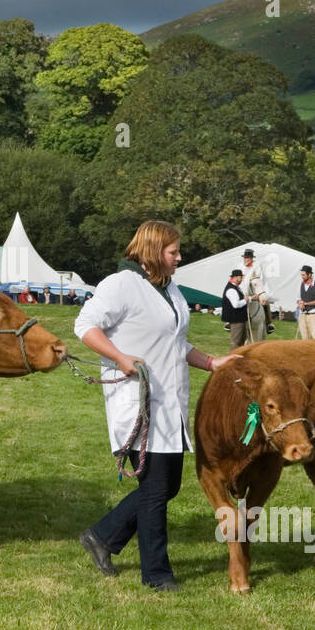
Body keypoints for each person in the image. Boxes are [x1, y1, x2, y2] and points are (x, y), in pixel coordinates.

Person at [75, 220, 237, 592]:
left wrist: (212, 363)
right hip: (140, 403)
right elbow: (85, 326)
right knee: (155, 491)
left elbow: (177, 344)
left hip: (170, 403)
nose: (180, 258)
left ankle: (102, 537)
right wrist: (120, 356)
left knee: (167, 487)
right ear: (152, 251)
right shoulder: (121, 285)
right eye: (173, 252)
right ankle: (157, 575)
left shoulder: (170, 289)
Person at [241, 248, 272, 342]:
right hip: (243, 288)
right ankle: (229, 321)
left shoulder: (257, 265)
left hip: (255, 288)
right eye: (245, 257)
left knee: (265, 301)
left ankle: (268, 323)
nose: (246, 259)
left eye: (248, 258)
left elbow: (259, 278)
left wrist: (257, 292)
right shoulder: (240, 266)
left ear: (251, 258)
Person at [221, 268, 249, 349]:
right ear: (236, 277)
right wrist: (247, 300)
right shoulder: (231, 289)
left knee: (240, 342)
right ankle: (232, 360)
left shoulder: (235, 287)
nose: (242, 279)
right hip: (236, 320)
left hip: (239, 319)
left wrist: (250, 298)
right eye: (241, 277)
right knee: (235, 342)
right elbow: (236, 305)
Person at [296, 264, 315, 340]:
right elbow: (298, 298)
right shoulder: (300, 285)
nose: (302, 276)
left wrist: (306, 303)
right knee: (304, 338)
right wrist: (300, 303)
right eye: (301, 275)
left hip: (314, 315)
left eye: (304, 275)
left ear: (309, 274)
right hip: (302, 315)